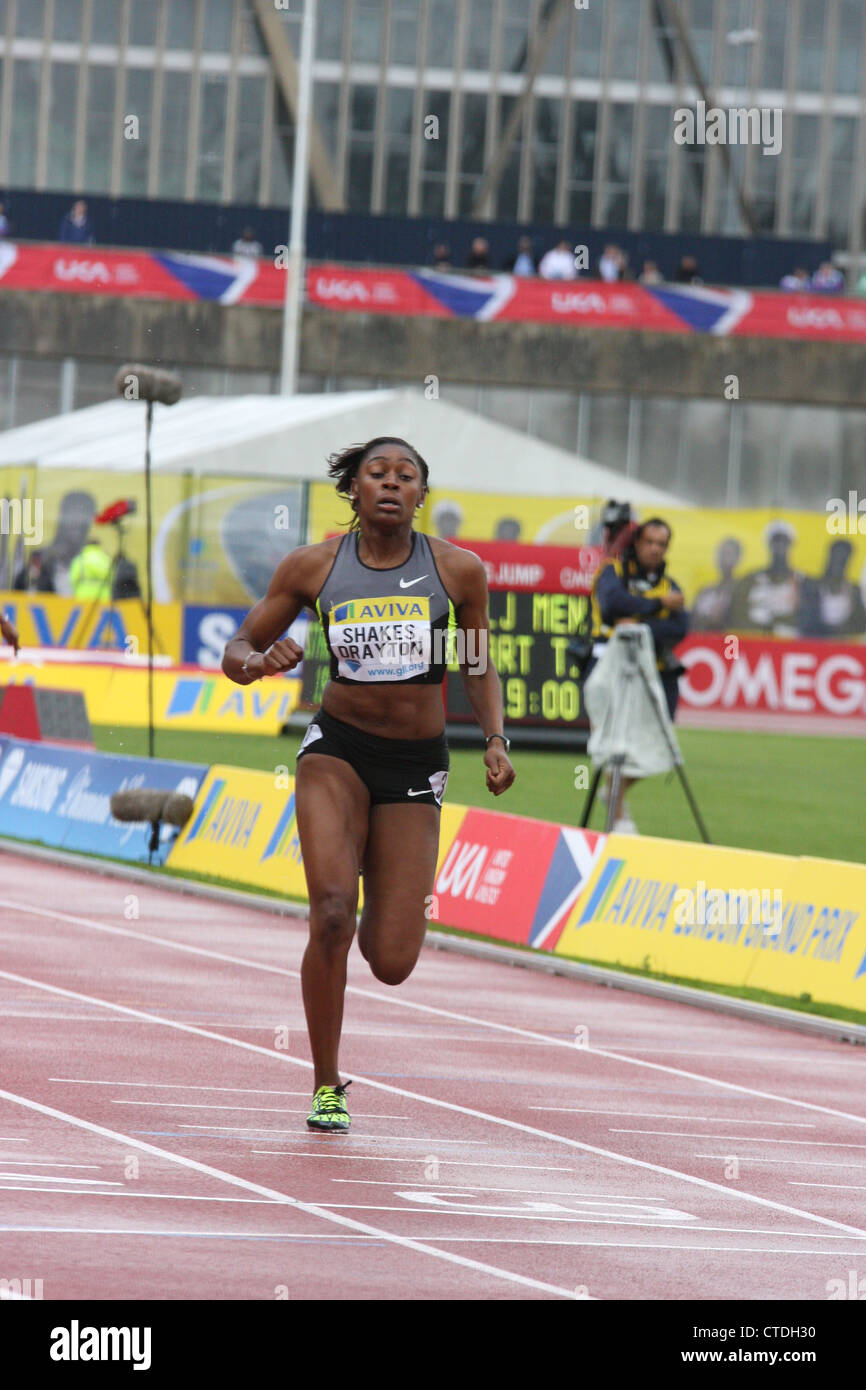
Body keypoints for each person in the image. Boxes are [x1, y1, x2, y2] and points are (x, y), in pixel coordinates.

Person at [221, 437, 516, 1133]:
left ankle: (369, 937)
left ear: (421, 495)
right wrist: (261, 660)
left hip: (415, 763)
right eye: (376, 475)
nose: (390, 485)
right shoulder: (313, 566)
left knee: (390, 960)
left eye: (405, 476)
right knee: (330, 911)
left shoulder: (457, 571)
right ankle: (326, 1084)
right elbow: (235, 652)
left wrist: (495, 741)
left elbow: (477, 665)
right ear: (352, 490)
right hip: (338, 750)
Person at [586, 518, 689, 833]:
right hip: (611, 666)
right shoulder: (612, 572)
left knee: (663, 743)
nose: (655, 549)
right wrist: (658, 606)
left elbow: (678, 627)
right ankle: (617, 814)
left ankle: (613, 793)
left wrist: (637, 624)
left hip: (654, 673)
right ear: (636, 543)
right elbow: (612, 603)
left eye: (662, 544)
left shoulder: (670, 585)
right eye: (650, 542)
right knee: (617, 743)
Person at [728, 520, 803, 636]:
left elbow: (805, 619)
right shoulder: (750, 580)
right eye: (776, 541)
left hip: (790, 644)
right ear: (769, 544)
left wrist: (777, 620)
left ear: (790, 545)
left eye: (784, 542)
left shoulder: (801, 581)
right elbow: (738, 616)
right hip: (754, 643)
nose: (779, 547)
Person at [798, 540, 866, 639]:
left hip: (843, 646)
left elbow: (861, 625)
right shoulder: (810, 586)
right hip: (814, 643)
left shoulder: (854, 590)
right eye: (836, 556)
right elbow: (804, 621)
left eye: (843, 558)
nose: (839, 563)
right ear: (829, 556)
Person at [691, 537, 742, 631]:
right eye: (721, 554)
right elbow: (693, 621)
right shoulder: (705, 591)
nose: (724, 559)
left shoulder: (742, 592)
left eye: (729, 554)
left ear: (738, 558)